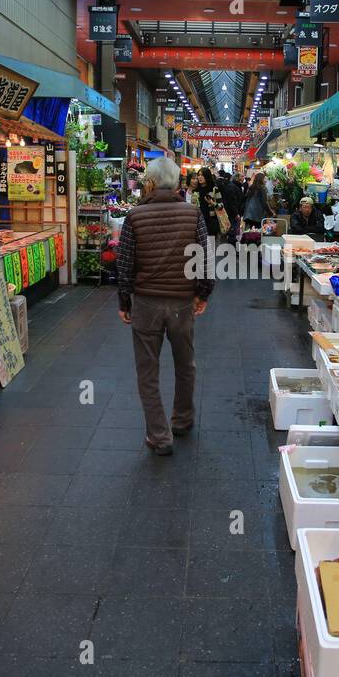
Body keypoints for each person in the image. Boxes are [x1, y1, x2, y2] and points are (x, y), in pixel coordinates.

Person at [116, 157, 214, 456]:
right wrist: (202, 294)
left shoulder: (134, 216)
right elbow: (204, 260)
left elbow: (125, 263)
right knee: (186, 364)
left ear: (151, 182)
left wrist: (125, 300)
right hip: (182, 303)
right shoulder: (192, 213)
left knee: (148, 371)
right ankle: (182, 420)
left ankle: (159, 436)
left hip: (146, 303)